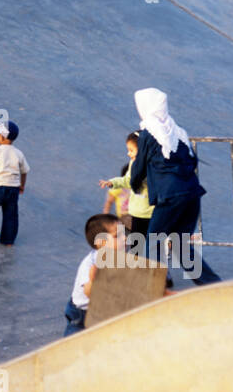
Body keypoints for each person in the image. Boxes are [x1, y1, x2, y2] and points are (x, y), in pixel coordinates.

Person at [130, 88, 221, 285]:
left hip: (170, 197)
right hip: (191, 193)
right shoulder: (178, 132)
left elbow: (139, 166)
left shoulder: (147, 134)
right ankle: (213, 285)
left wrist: (135, 185)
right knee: (180, 245)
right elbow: (193, 161)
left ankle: (149, 291)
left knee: (151, 244)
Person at [64, 214, 127, 336]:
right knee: (75, 340)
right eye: (117, 236)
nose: (124, 238)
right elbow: (89, 291)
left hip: (103, 308)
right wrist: (93, 281)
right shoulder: (91, 264)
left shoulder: (120, 256)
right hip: (83, 312)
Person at [99, 132, 152, 237]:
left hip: (152, 212)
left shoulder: (154, 164)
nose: (128, 153)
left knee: (155, 243)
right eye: (128, 150)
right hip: (137, 212)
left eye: (131, 150)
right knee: (137, 245)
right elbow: (127, 180)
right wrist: (112, 182)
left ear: (142, 149)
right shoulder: (133, 164)